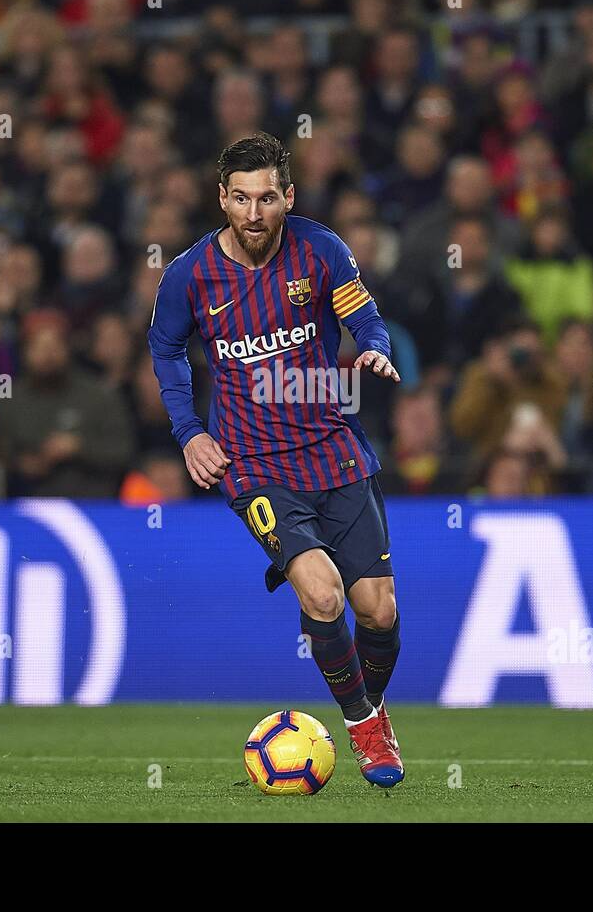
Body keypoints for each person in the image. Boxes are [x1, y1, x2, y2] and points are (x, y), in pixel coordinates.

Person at [148, 133, 405, 787]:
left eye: (267, 198)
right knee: (321, 593)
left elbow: (363, 315)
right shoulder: (190, 275)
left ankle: (371, 706)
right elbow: (167, 349)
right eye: (240, 199)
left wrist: (374, 347)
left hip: (335, 450)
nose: (254, 214)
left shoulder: (320, 250)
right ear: (222, 199)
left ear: (288, 196)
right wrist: (189, 432)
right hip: (253, 461)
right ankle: (363, 728)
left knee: (378, 611)